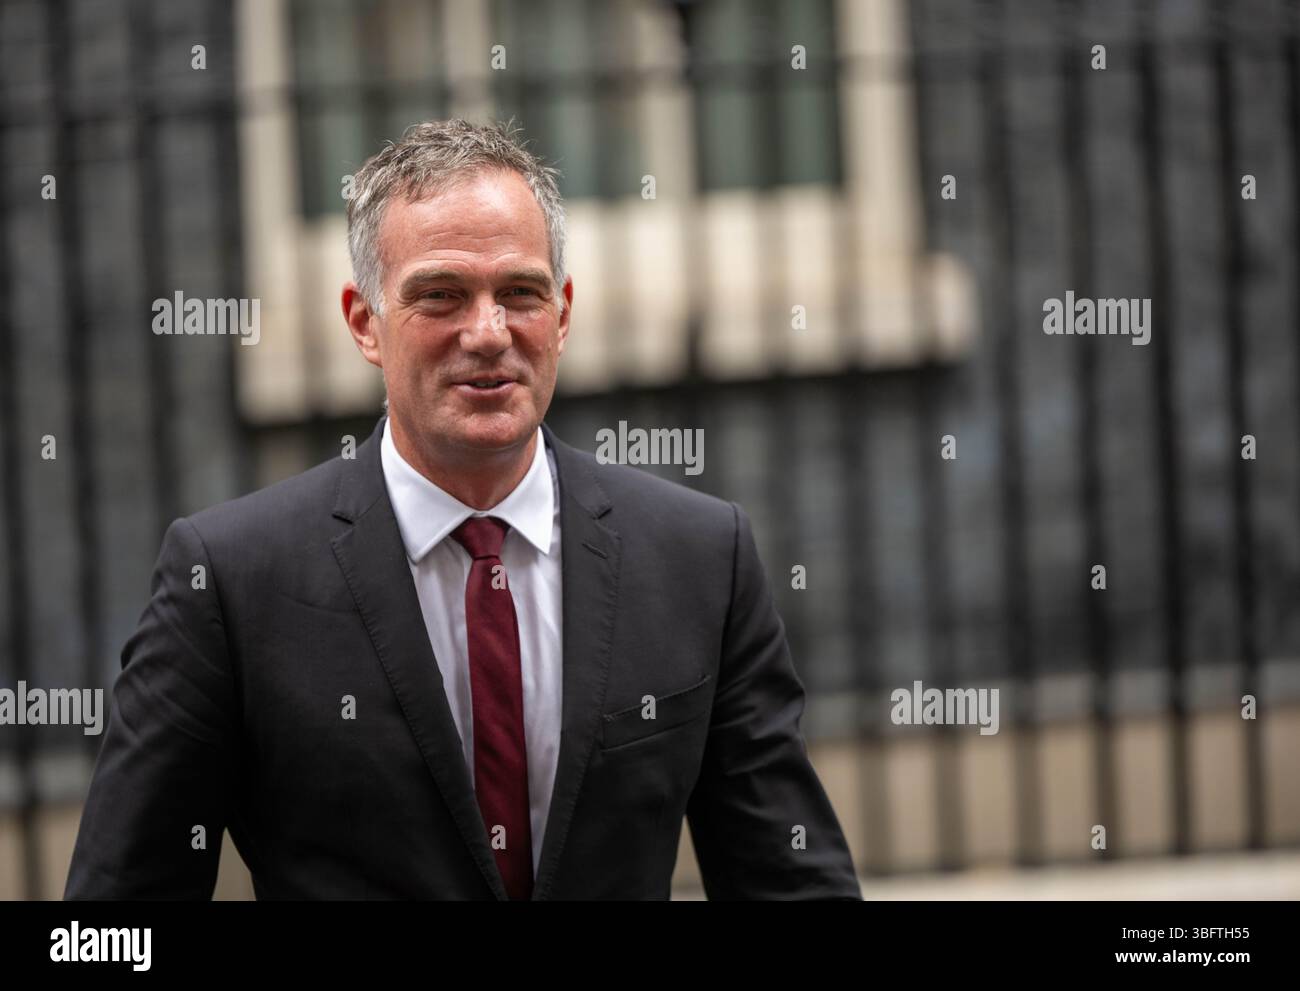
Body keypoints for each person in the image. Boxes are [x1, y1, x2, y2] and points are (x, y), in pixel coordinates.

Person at [64, 119, 861, 900]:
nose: (487, 333)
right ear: (363, 322)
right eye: (440, 295)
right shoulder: (231, 583)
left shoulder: (698, 557)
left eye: (520, 292)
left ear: (564, 312)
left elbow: (788, 877)